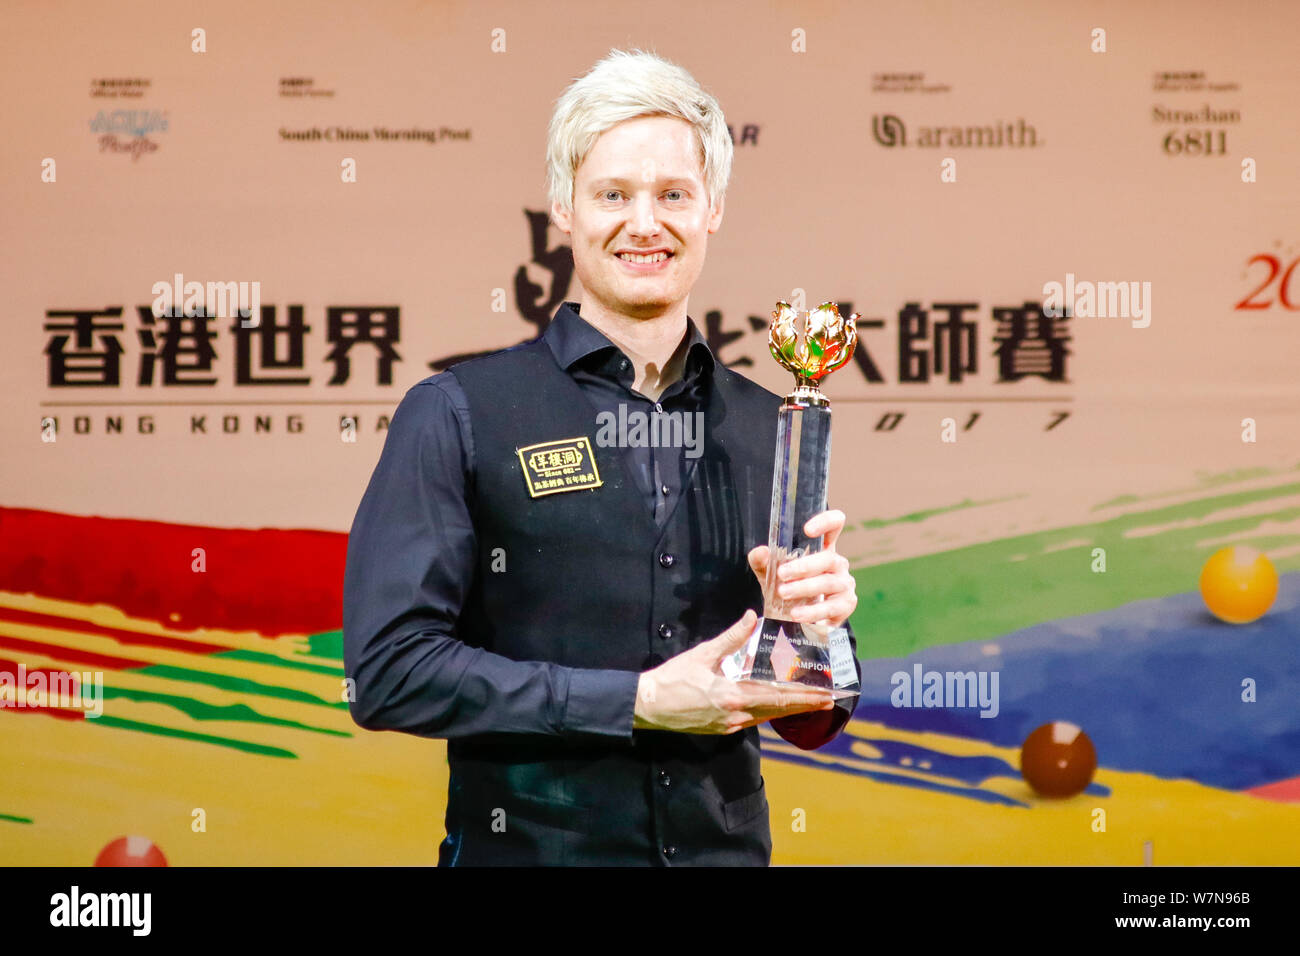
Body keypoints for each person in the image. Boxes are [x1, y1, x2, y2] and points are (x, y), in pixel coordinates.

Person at [343, 48, 861, 866]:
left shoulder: (772, 425)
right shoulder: (458, 413)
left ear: (714, 207)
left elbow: (807, 718)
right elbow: (389, 671)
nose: (644, 223)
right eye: (613, 194)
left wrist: (820, 637)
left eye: (673, 196)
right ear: (563, 205)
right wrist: (640, 702)